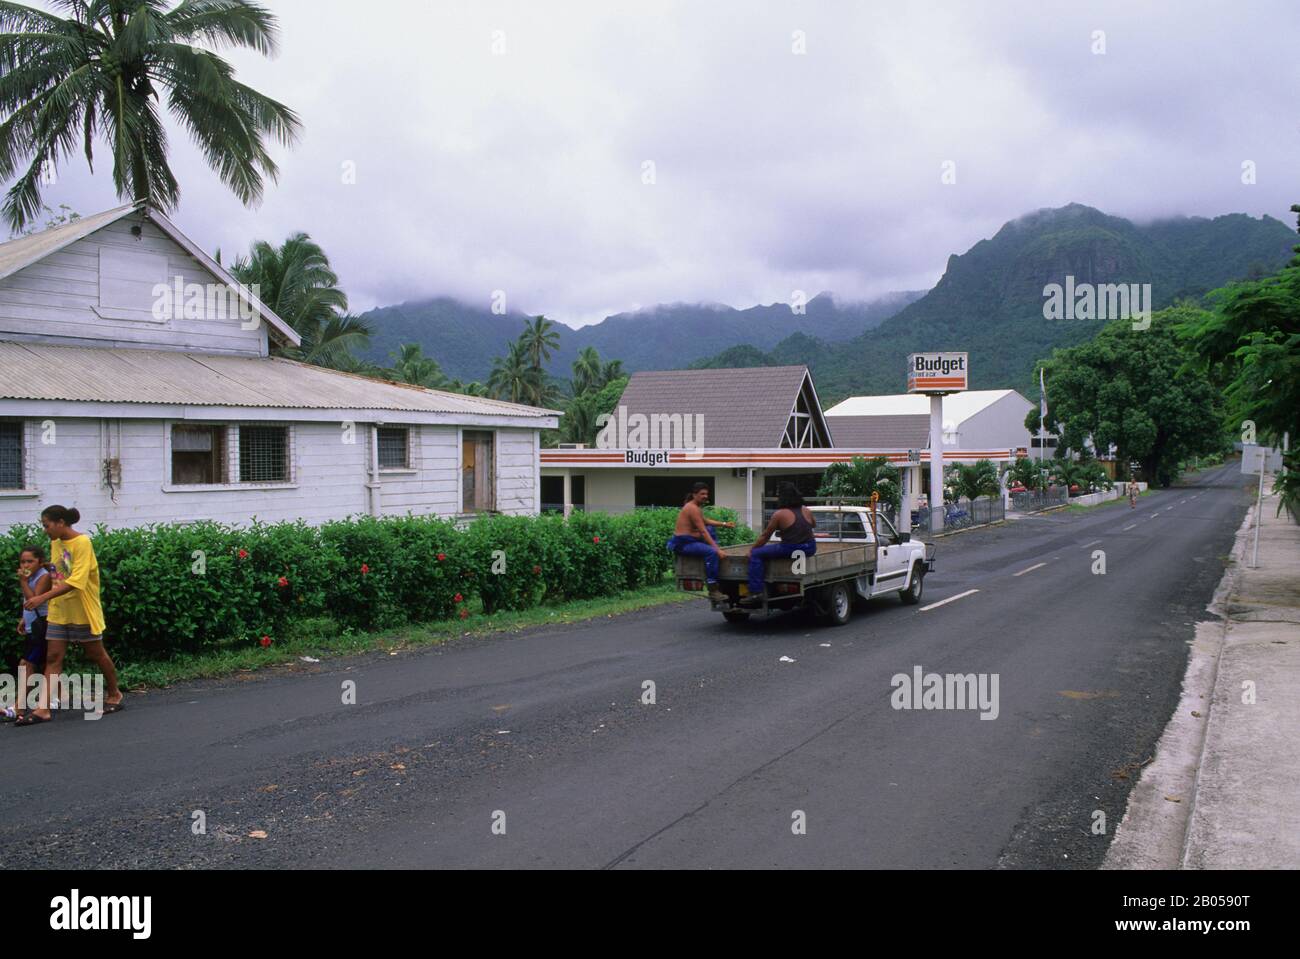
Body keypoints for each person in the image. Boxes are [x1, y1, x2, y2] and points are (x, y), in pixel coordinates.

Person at [16, 506, 123, 726]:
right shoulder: (56, 543)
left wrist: (42, 597)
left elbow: (76, 581)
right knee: (53, 658)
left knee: (96, 654)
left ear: (61, 522)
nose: (45, 530)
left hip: (82, 610)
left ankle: (115, 694)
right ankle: (43, 709)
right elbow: (61, 573)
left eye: (47, 525)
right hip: (59, 610)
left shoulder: (82, 543)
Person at [741, 482, 817, 606]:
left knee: (756, 554)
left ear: (782, 497)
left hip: (792, 548)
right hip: (810, 548)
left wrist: (752, 549)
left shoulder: (779, 514)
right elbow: (813, 525)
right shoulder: (806, 510)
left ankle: (755, 592)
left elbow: (765, 537)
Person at [2, 546, 51, 722]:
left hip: (42, 626)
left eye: (30, 561)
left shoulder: (43, 576)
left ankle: (19, 706)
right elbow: (27, 603)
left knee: (27, 664)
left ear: (40, 561)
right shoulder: (31, 575)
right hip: (32, 625)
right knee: (47, 663)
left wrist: (23, 581)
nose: (25, 564)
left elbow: (34, 601)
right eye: (23, 561)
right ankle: (55, 698)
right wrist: (23, 619)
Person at [666, 483, 734, 602]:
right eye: (702, 494)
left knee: (711, 529)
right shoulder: (692, 508)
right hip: (683, 544)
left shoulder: (695, 507)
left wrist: (724, 524)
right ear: (694, 495)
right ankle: (713, 589)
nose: (705, 496)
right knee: (711, 553)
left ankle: (713, 555)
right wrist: (717, 550)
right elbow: (703, 531)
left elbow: (705, 521)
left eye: (706, 494)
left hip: (689, 540)